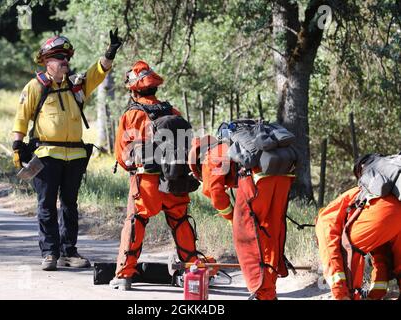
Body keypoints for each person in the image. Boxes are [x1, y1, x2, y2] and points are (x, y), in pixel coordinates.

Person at [11, 30, 123, 271]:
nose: (65, 62)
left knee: (70, 205)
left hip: (74, 156)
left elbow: (97, 73)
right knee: (47, 205)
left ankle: (68, 252)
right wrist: (17, 147)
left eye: (67, 58)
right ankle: (50, 253)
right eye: (59, 57)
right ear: (47, 62)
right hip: (45, 156)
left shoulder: (77, 87)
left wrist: (109, 53)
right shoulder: (35, 87)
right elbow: (21, 119)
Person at [109, 60, 200, 290]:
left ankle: (124, 275)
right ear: (154, 86)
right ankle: (193, 271)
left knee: (136, 221)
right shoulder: (172, 111)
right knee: (180, 222)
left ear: (133, 89)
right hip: (175, 178)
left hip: (146, 180)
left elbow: (123, 155)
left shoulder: (131, 115)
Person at [188, 123, 295, 300]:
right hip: (283, 179)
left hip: (255, 183)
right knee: (271, 234)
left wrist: (231, 218)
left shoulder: (213, 153)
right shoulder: (237, 144)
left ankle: (260, 291)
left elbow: (214, 192)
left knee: (247, 238)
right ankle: (268, 290)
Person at [316, 154, 401, 300]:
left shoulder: (326, 217)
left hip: (385, 214)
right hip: (394, 213)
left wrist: (339, 292)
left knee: (348, 247)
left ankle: (347, 296)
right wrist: (374, 295)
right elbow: (380, 257)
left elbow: (333, 250)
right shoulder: (385, 191)